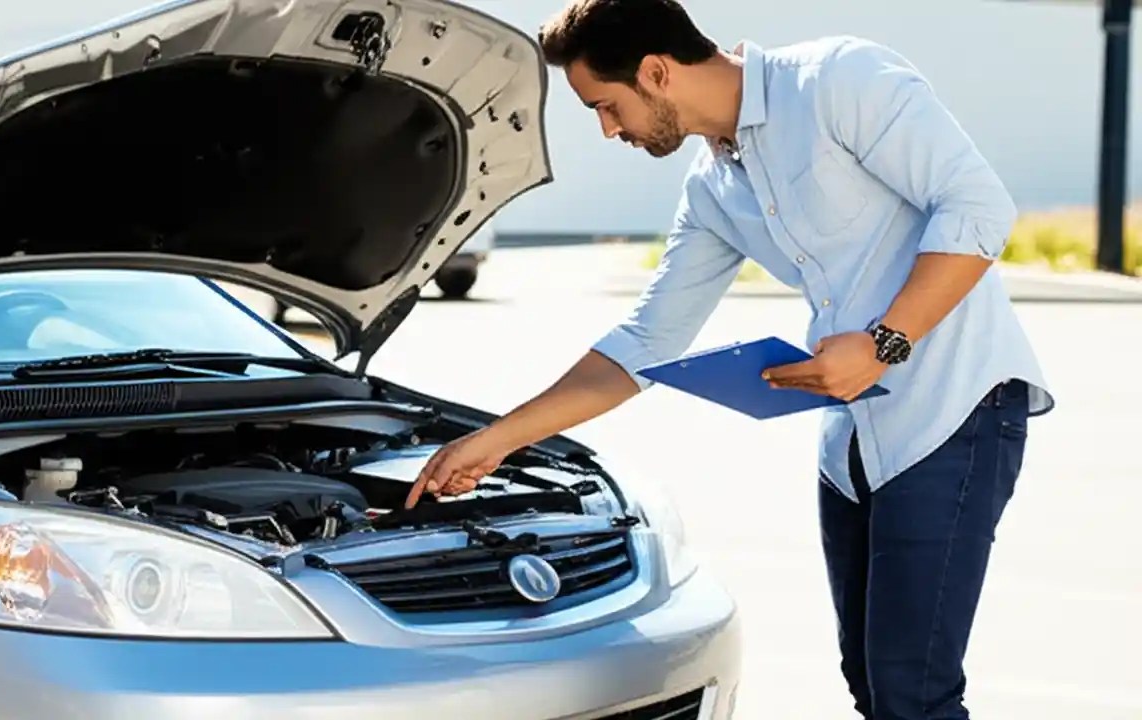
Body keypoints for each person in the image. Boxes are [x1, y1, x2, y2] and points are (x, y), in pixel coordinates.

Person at [404, 1, 1054, 718]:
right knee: (872, 682)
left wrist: (882, 344)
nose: (607, 129)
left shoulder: (840, 80)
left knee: (912, 690)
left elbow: (978, 205)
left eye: (606, 106)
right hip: (855, 440)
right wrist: (495, 441)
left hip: (955, 411)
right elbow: (646, 341)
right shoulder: (715, 188)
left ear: (656, 71)